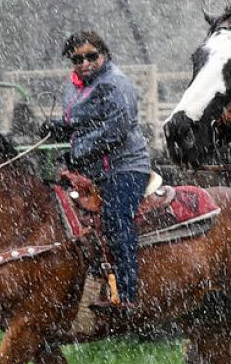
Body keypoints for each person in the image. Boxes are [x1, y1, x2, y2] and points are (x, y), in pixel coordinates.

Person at [41, 30, 151, 308]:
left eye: (92, 56)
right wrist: (58, 128)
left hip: (124, 168)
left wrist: (77, 151)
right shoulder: (75, 87)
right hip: (91, 170)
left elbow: (117, 127)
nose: (85, 63)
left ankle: (126, 295)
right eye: (77, 59)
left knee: (116, 218)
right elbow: (81, 122)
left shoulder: (115, 83)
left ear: (105, 54)